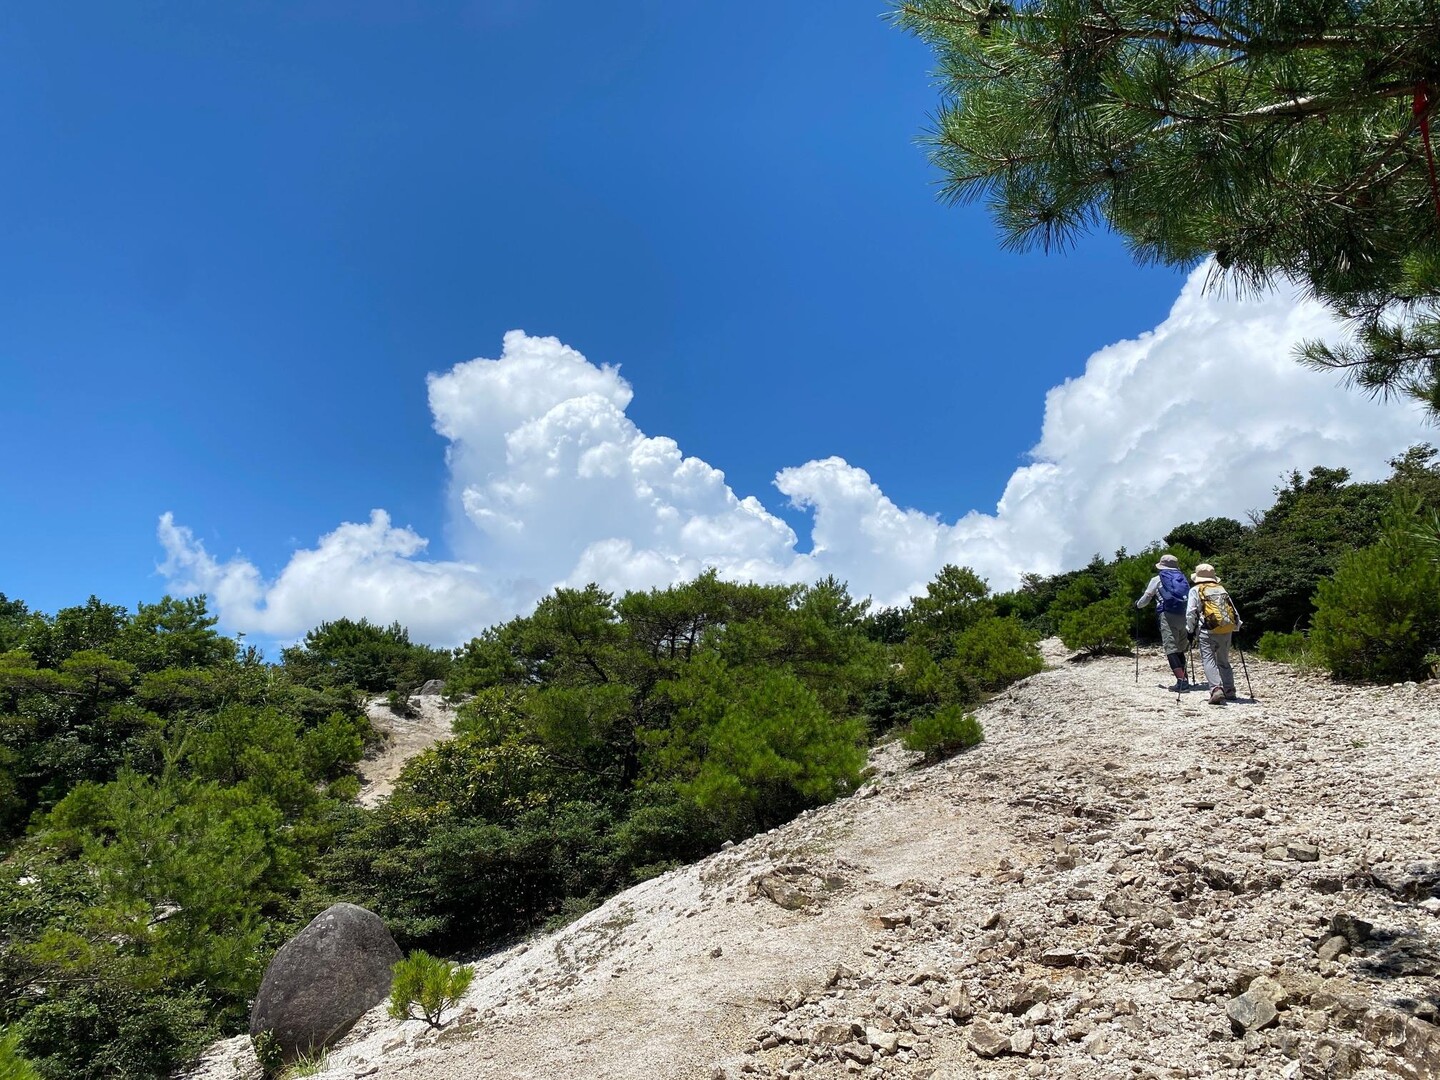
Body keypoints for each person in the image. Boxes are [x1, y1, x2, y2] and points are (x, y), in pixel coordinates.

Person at [1186, 563, 1243, 705]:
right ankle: (1230, 690)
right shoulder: (1221, 589)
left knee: (1208, 659)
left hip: (1207, 630)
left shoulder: (1196, 589)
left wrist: (1190, 630)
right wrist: (1237, 626)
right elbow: (1233, 610)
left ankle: (1216, 689)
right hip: (1226, 629)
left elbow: (1191, 612)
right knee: (1224, 660)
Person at [1136, 553, 1192, 691]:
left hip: (1167, 615)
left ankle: (1181, 681)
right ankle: (1185, 678)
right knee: (1179, 648)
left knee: (1170, 648)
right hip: (1184, 615)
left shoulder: (1157, 579)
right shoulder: (1182, 578)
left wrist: (1137, 605)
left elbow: (1146, 598)